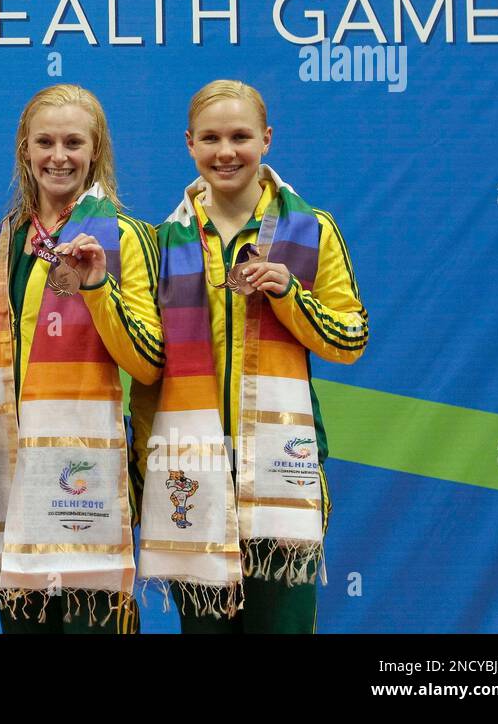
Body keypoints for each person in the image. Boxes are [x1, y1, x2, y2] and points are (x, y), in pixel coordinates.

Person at [134, 79, 368, 633]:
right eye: (210, 138)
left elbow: (350, 339)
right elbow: (149, 374)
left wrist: (290, 294)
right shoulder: (162, 240)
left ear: (267, 139)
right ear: (189, 144)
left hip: (281, 471)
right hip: (191, 475)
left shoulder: (313, 230)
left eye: (241, 136)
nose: (226, 152)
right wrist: (147, 464)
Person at [0, 84, 164, 634]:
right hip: (12, 483)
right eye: (44, 141)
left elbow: (148, 361)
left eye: (74, 142)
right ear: (24, 149)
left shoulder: (126, 237)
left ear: (95, 151)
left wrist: (98, 287)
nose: (58, 156)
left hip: (86, 482)